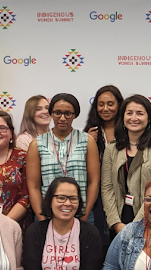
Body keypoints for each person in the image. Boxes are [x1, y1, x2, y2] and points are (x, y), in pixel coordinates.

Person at [101, 94, 151, 235]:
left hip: (149, 221)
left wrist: (136, 225)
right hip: (119, 222)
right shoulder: (112, 149)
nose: (134, 118)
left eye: (140, 113)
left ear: (149, 118)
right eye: (129, 113)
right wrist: (115, 223)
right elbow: (107, 188)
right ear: (123, 118)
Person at [27, 93, 100, 222]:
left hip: (80, 214)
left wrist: (84, 215)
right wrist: (42, 218)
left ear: (75, 115)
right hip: (47, 215)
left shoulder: (87, 141)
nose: (62, 118)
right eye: (57, 113)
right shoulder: (37, 144)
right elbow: (33, 186)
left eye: (68, 113)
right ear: (51, 113)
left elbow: (93, 182)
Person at [83, 85, 123, 246]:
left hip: (121, 196)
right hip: (96, 198)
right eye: (101, 104)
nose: (105, 108)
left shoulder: (129, 132)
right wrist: (85, 143)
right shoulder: (88, 133)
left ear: (119, 105)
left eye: (110, 104)